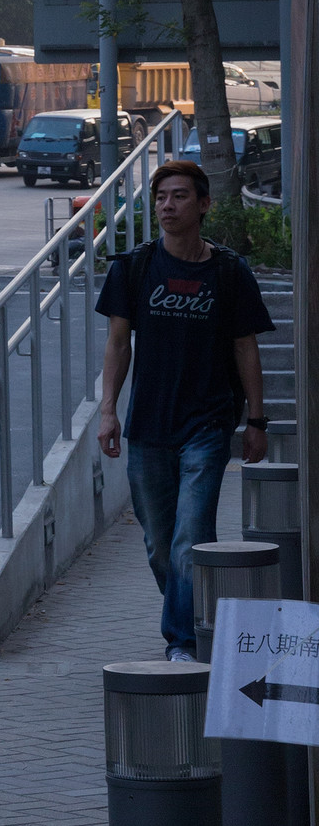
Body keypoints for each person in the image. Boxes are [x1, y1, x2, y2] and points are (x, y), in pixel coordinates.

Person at [96, 155, 272, 663]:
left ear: (203, 205)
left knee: (192, 536)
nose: (167, 206)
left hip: (208, 424)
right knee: (159, 544)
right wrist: (109, 411)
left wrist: (255, 420)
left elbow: (246, 347)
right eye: (161, 197)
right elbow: (117, 345)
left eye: (178, 196)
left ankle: (184, 642)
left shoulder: (229, 272)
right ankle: (194, 618)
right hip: (149, 424)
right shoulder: (135, 268)